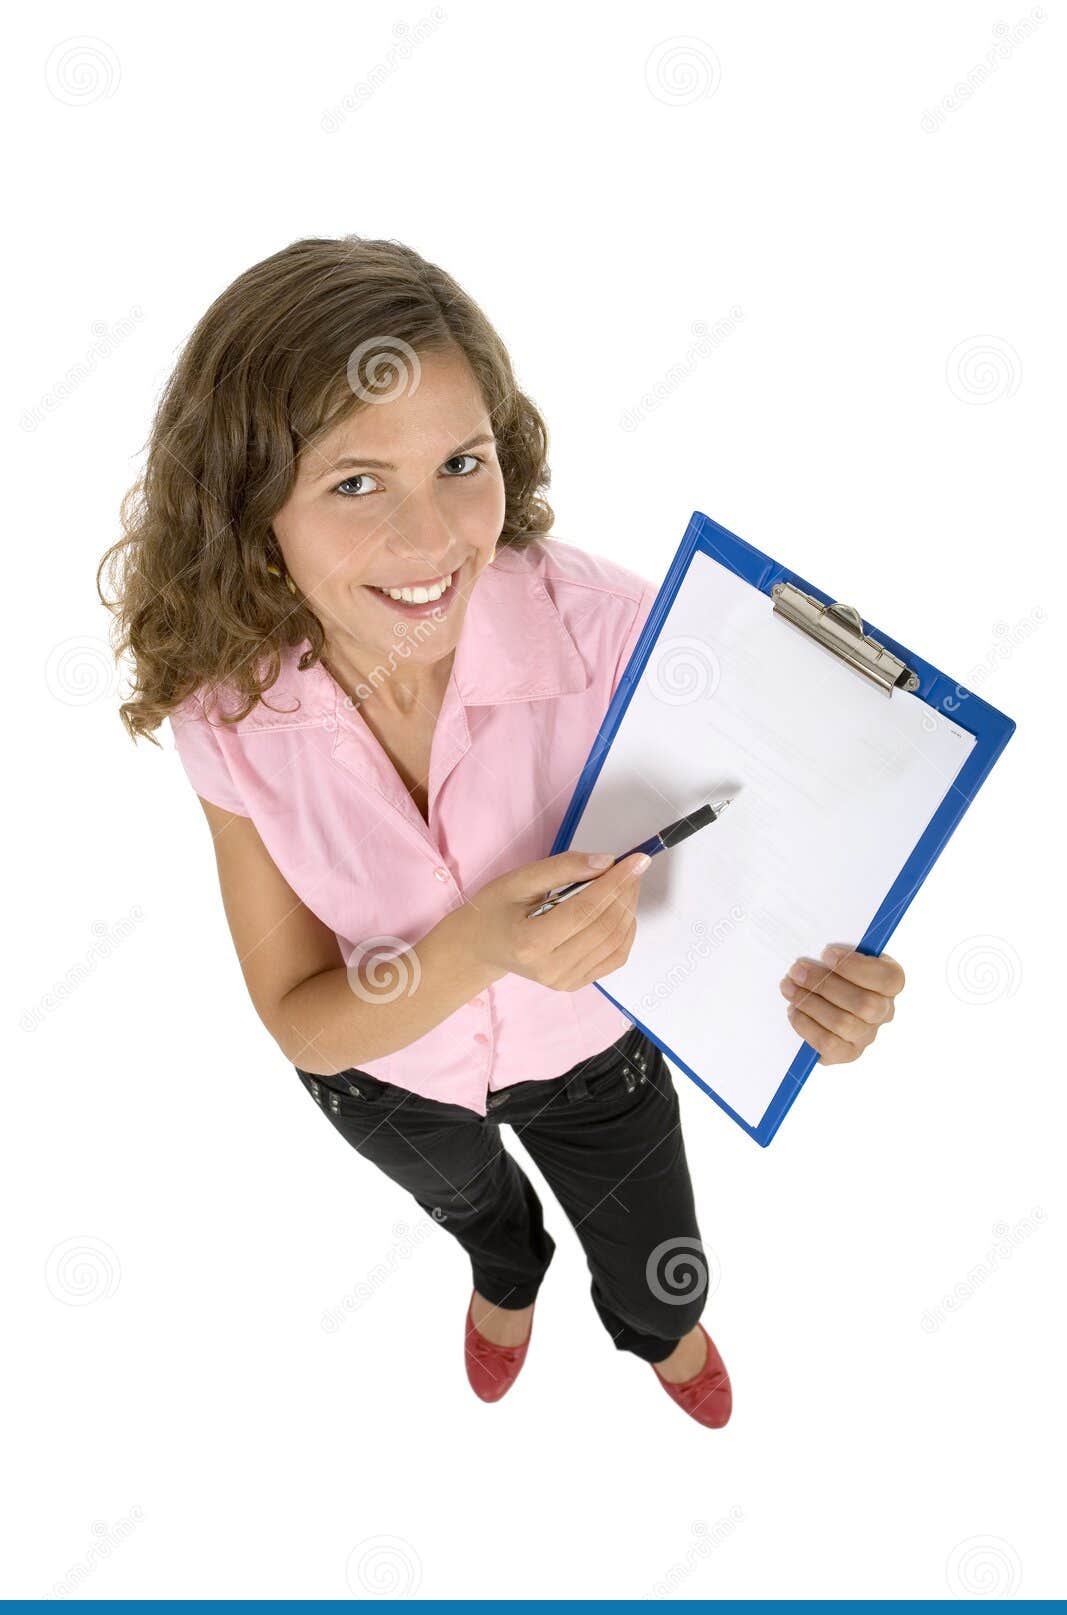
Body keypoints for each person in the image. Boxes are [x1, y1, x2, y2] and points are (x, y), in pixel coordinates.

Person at [98, 236, 906, 1428]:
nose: (432, 541)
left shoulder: (623, 633)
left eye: (460, 462)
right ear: (244, 500)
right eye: (355, 481)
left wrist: (816, 995)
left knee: (653, 1254)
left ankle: (654, 1326)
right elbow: (300, 1018)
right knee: (468, 1204)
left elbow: (762, 860)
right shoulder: (224, 708)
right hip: (390, 1080)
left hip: (596, 1062)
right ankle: (504, 1266)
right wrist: (476, 947)